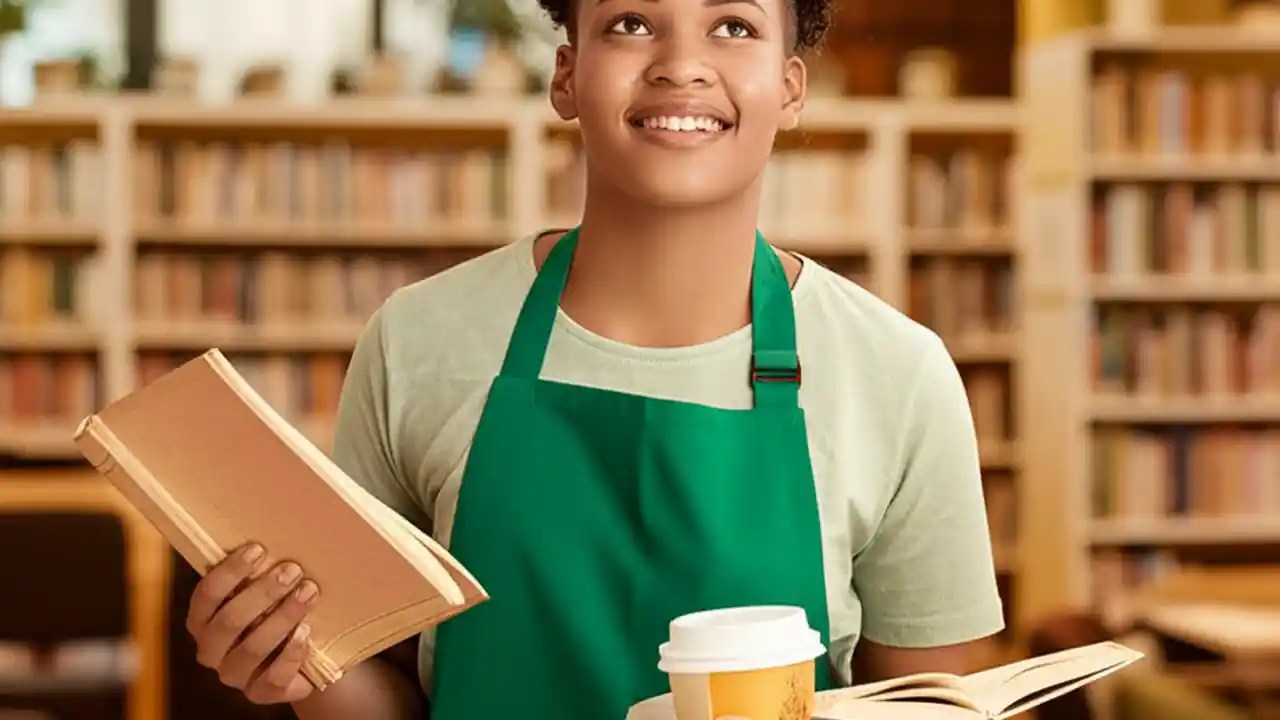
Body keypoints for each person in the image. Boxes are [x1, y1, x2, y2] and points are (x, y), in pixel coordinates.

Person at [182, 0, 1006, 717]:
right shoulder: (417, 341)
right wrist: (298, 667)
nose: (683, 65)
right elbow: (385, 693)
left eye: (733, 26)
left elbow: (925, 705)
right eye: (632, 23)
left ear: (790, 89)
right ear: (567, 76)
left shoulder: (899, 375)